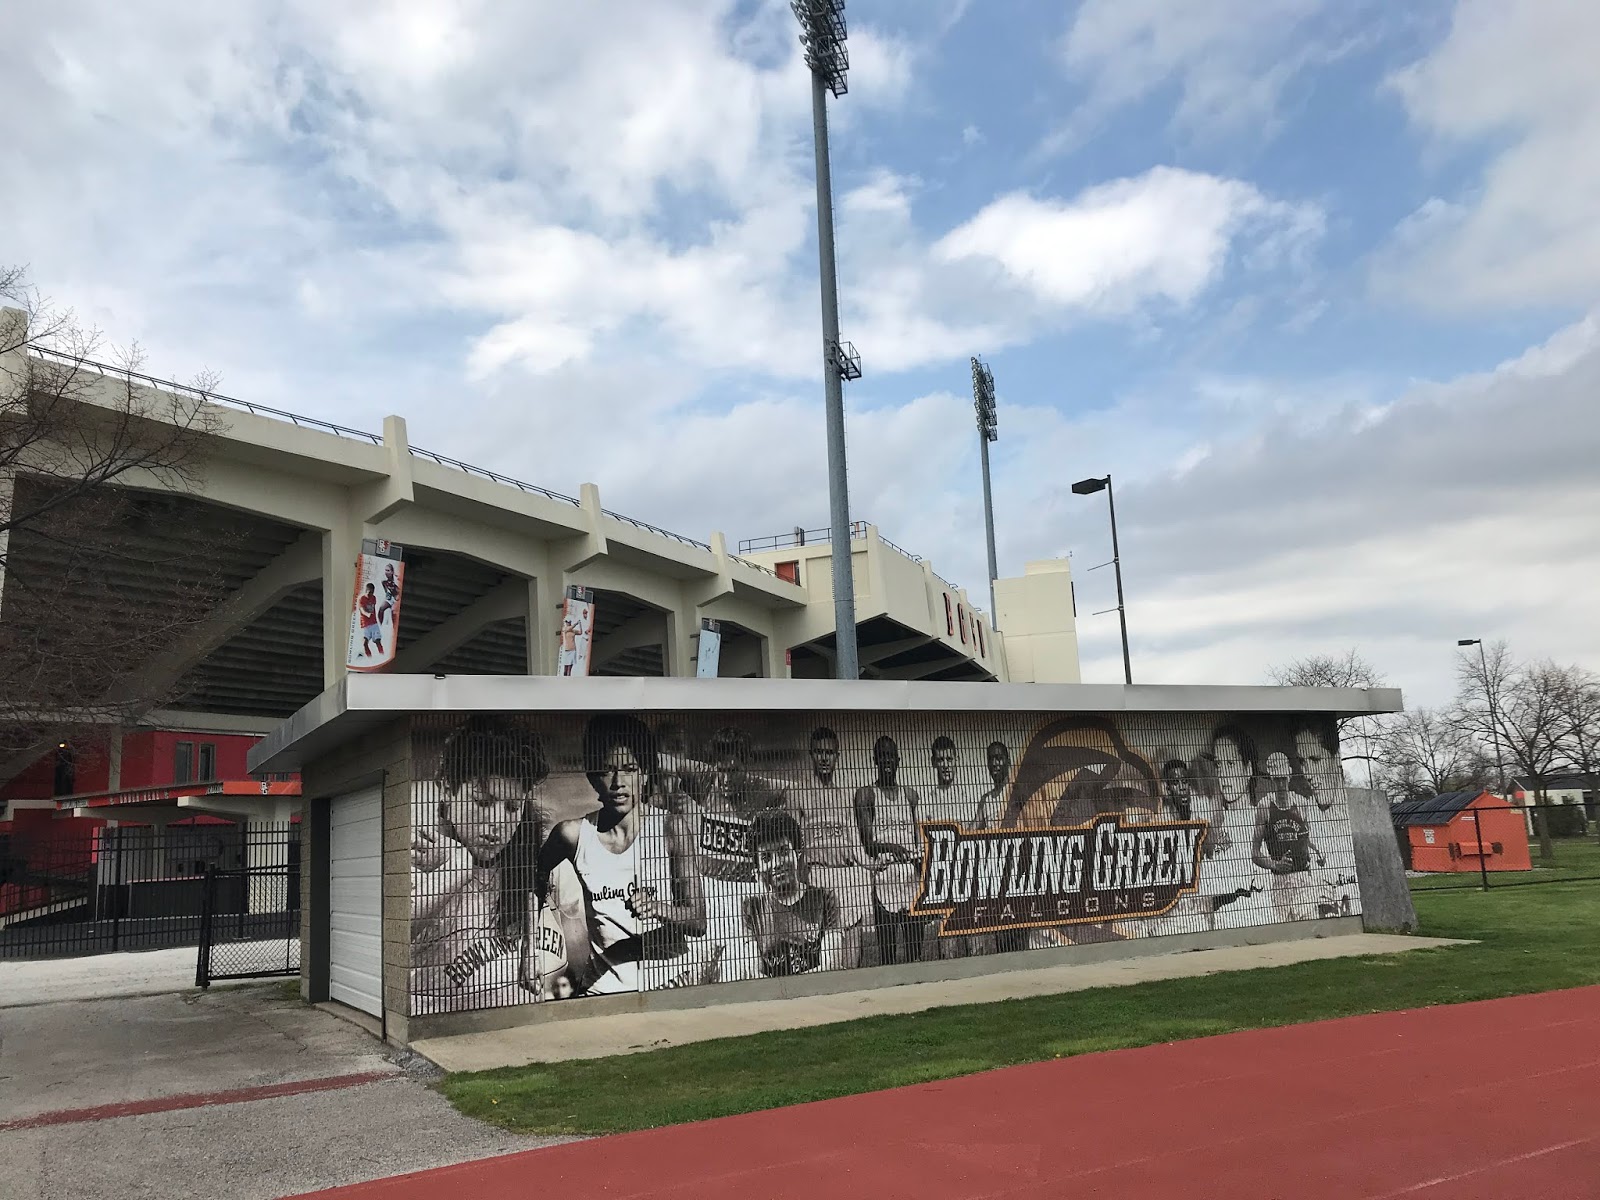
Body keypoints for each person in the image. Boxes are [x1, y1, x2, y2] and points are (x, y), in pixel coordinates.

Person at [539, 714, 706, 996]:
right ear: (594, 777)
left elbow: (698, 920)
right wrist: (533, 944)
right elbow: (530, 879)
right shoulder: (573, 834)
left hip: (670, 983)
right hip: (603, 990)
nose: (618, 782)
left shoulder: (671, 828)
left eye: (629, 769)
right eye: (607, 770)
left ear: (645, 774)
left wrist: (658, 909)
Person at [410, 718, 548, 1014]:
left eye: (513, 808)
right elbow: (395, 931)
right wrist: (458, 867)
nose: (498, 823)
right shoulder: (419, 853)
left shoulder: (519, 858)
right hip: (440, 1026)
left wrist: (530, 950)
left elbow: (531, 897)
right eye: (483, 802)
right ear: (448, 789)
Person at [684, 726, 792, 979]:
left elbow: (796, 790)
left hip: (744, 893)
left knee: (743, 972)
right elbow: (666, 763)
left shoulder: (763, 788)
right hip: (708, 892)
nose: (726, 778)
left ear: (747, 765)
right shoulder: (705, 779)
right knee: (697, 975)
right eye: (721, 770)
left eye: (733, 771)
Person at [791, 726, 872, 967]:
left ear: (837, 755)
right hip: (818, 878)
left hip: (846, 877)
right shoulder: (798, 793)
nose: (824, 758)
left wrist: (869, 863)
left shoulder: (846, 796)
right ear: (811, 755)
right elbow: (794, 845)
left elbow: (855, 841)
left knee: (853, 945)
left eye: (829, 752)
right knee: (827, 955)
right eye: (819, 752)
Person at [736, 809, 846, 978]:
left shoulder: (825, 898)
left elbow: (831, 965)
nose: (777, 863)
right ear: (757, 869)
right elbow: (753, 971)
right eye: (766, 857)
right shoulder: (751, 907)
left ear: (797, 854)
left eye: (783, 852)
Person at [853, 735, 927, 965]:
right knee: (887, 952)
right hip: (885, 878)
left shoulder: (911, 795)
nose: (887, 761)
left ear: (898, 760)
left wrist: (918, 859)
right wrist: (892, 847)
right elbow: (868, 842)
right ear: (875, 760)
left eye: (890, 756)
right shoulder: (866, 794)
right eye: (882, 756)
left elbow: (919, 838)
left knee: (915, 949)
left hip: (910, 881)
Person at [1291, 718, 1359, 917]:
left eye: (1315, 760)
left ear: (1335, 758)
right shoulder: (1303, 816)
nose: (1308, 774)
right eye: (1302, 762)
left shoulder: (1351, 817)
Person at [1202, 725, 1268, 930]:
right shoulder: (1219, 823)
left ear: (1248, 769)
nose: (1224, 775)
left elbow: (1263, 885)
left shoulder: (1259, 819)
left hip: (1246, 919)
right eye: (1219, 765)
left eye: (1231, 763)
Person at [1252, 751, 1325, 923]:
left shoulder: (1301, 803)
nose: (1281, 784)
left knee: (1308, 925)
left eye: (1283, 778)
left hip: (1303, 877)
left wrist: (1318, 852)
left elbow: (1305, 838)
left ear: (1290, 775)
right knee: (1288, 929)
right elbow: (1255, 853)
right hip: (1281, 881)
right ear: (1271, 778)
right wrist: (1275, 864)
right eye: (1277, 779)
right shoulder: (1265, 807)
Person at [973, 741, 1011, 832]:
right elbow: (972, 829)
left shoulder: (1018, 792)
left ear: (1008, 762)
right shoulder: (986, 799)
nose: (994, 763)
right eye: (990, 759)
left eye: (998, 758)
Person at [358, 583, 383, 658]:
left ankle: (382, 656)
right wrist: (367, 614)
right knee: (365, 643)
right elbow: (361, 610)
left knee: (378, 641)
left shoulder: (374, 598)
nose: (371, 594)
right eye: (369, 593)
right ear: (366, 591)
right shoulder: (361, 599)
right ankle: (370, 658)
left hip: (374, 623)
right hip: (365, 624)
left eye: (372, 593)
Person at [377, 562, 400, 629]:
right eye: (385, 570)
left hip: (397, 600)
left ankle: (394, 628)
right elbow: (386, 589)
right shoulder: (384, 581)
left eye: (388, 570)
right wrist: (387, 594)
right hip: (390, 598)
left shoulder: (396, 581)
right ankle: (380, 626)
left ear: (392, 572)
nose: (386, 572)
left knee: (393, 612)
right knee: (381, 609)